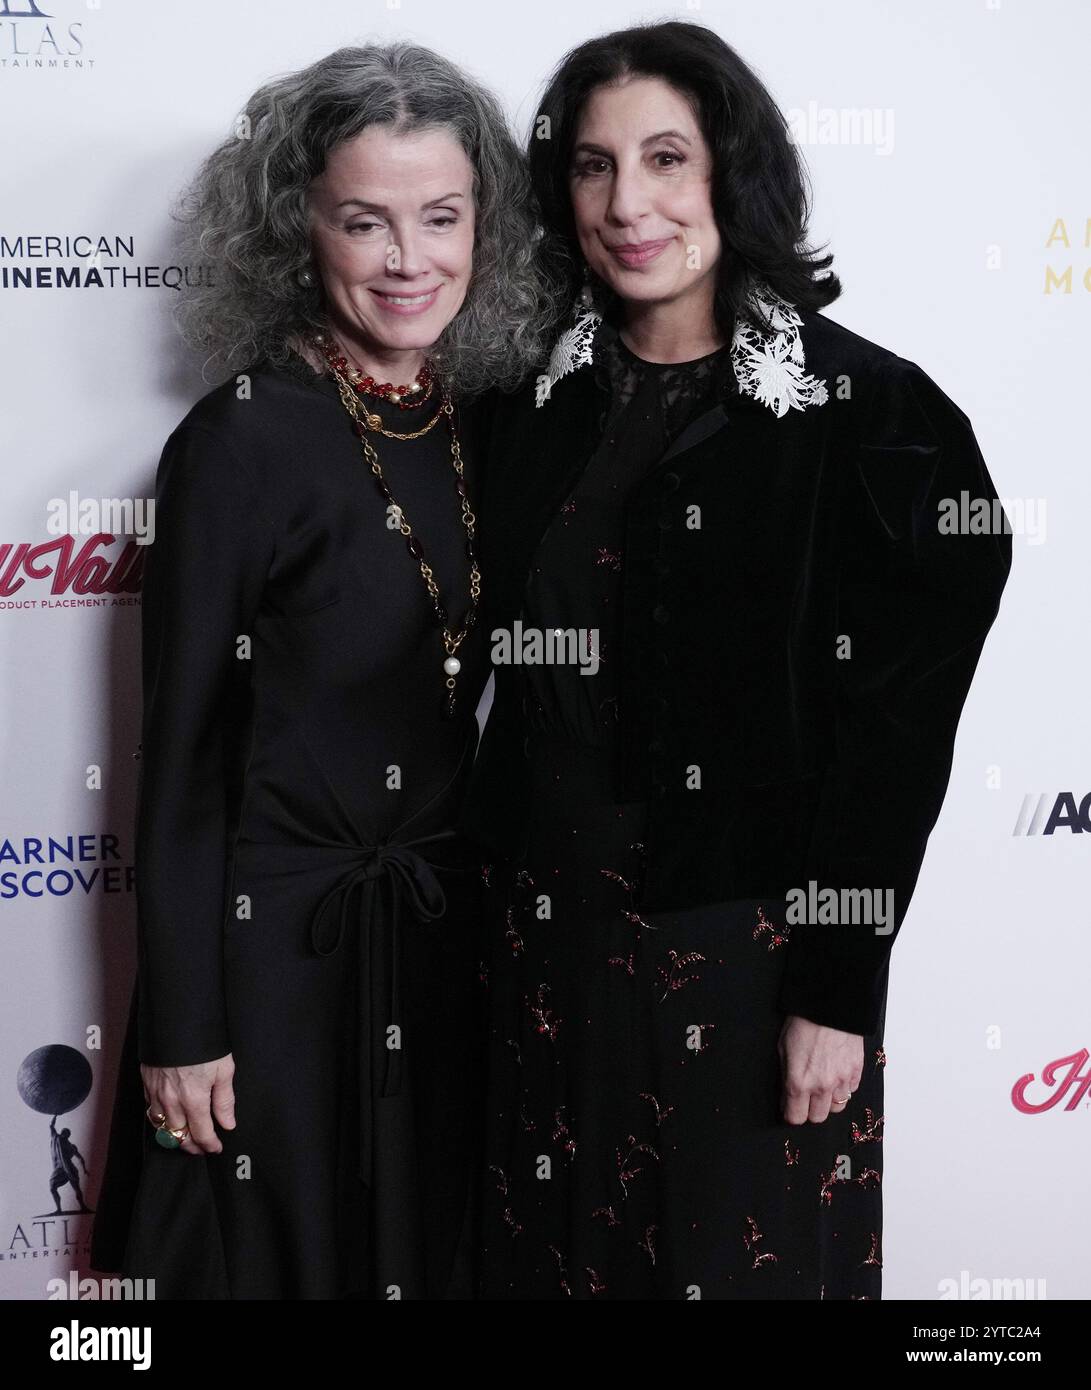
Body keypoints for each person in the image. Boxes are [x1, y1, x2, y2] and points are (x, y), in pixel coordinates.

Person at [458, 20, 1013, 1299]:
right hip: (542, 947)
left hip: (751, 958)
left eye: (665, 157)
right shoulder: (525, 410)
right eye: (592, 167)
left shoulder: (874, 421)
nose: (627, 202)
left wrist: (837, 985)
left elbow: (895, 737)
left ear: (732, 174)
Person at [90, 42, 549, 1300]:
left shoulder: (482, 418)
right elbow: (178, 754)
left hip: (439, 948)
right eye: (367, 220)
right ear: (302, 226)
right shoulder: (240, 436)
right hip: (276, 965)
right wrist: (184, 1027)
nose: (410, 260)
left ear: (484, 225)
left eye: (441, 217)